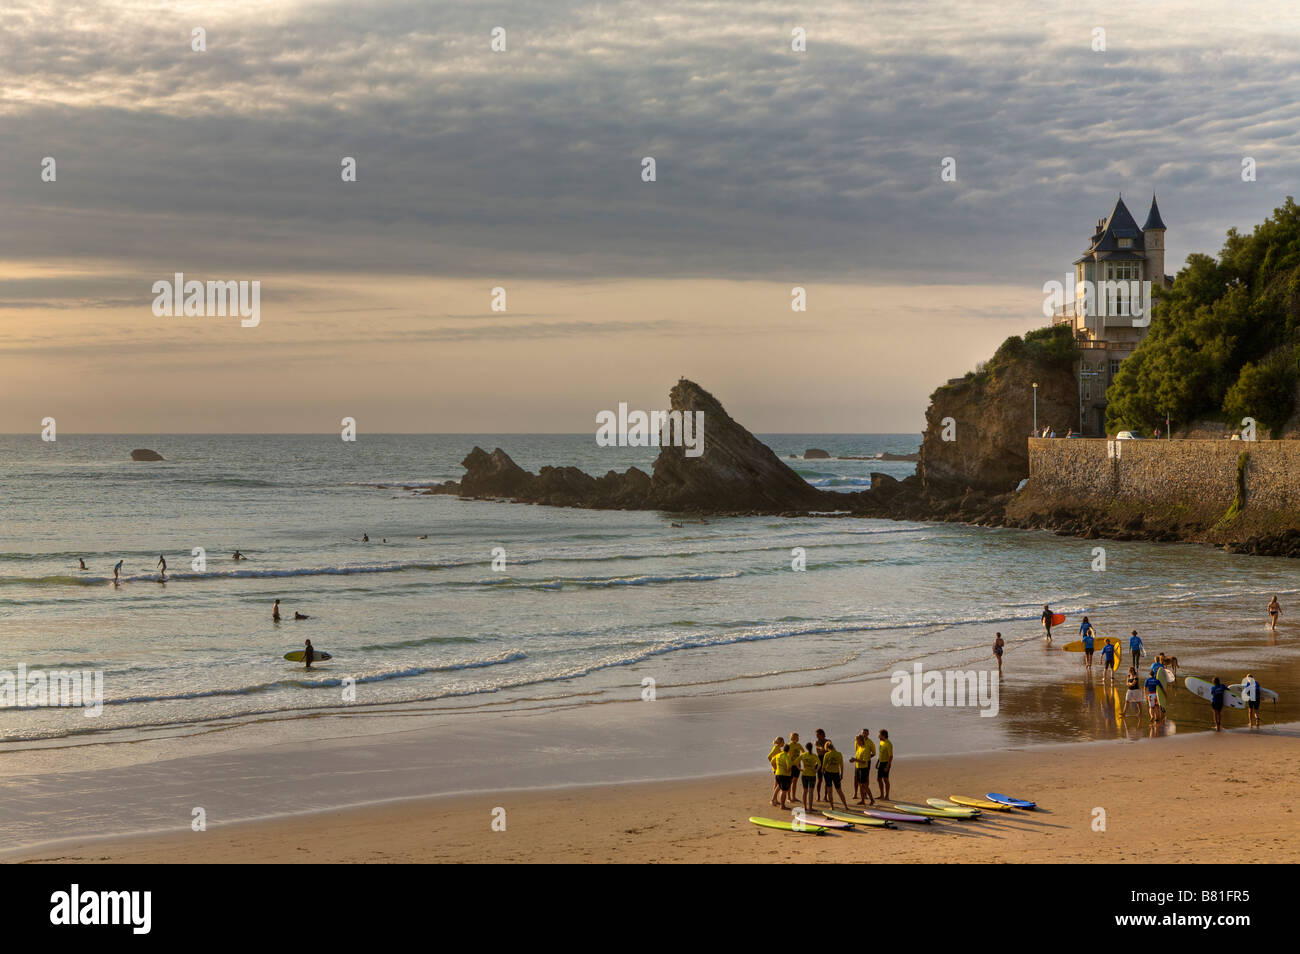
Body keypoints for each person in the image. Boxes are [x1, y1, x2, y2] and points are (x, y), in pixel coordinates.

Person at [820, 741, 848, 810]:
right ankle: (845, 806)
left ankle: (832, 807)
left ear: (827, 748)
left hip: (828, 774)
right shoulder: (839, 754)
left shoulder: (826, 755)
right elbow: (841, 765)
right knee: (839, 790)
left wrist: (822, 773)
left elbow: (823, 767)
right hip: (836, 774)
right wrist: (842, 774)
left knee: (829, 791)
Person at [771, 744, 793, 810]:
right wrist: (787, 771)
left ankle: (773, 799)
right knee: (784, 790)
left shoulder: (778, 755)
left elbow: (772, 761)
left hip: (777, 774)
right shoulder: (787, 756)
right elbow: (789, 765)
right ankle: (782, 805)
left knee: (779, 787)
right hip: (784, 775)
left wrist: (775, 768)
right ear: (788, 750)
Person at [798, 742, 820, 811]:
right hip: (812, 775)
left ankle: (805, 807)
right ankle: (810, 807)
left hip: (804, 775)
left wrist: (800, 769)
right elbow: (819, 764)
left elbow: (795, 762)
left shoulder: (803, 755)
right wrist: (816, 770)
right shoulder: (814, 755)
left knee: (805, 791)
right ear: (812, 747)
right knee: (811, 792)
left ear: (806, 748)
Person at [768, 737, 786, 806]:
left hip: (778, 768)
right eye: (783, 742)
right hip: (776, 769)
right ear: (780, 742)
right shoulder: (776, 748)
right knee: (779, 784)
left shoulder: (778, 748)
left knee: (776, 784)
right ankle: (773, 799)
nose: (784, 743)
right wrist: (774, 766)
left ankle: (775, 799)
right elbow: (769, 756)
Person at [876, 730, 893, 800]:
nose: (878, 736)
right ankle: (882, 795)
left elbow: (891, 756)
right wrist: (877, 762)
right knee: (879, 779)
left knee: (885, 779)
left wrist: (887, 766)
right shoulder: (881, 742)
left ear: (883, 735)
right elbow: (880, 754)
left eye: (879, 735)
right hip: (881, 762)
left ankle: (887, 796)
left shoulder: (888, 744)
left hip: (886, 763)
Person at [813, 729, 828, 802]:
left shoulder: (828, 741)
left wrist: (824, 749)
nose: (816, 736)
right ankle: (818, 795)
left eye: (817, 734)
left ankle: (825, 796)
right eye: (816, 735)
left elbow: (829, 749)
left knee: (827, 780)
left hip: (827, 761)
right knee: (819, 780)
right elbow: (818, 747)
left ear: (821, 734)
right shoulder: (817, 742)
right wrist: (821, 748)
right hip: (819, 760)